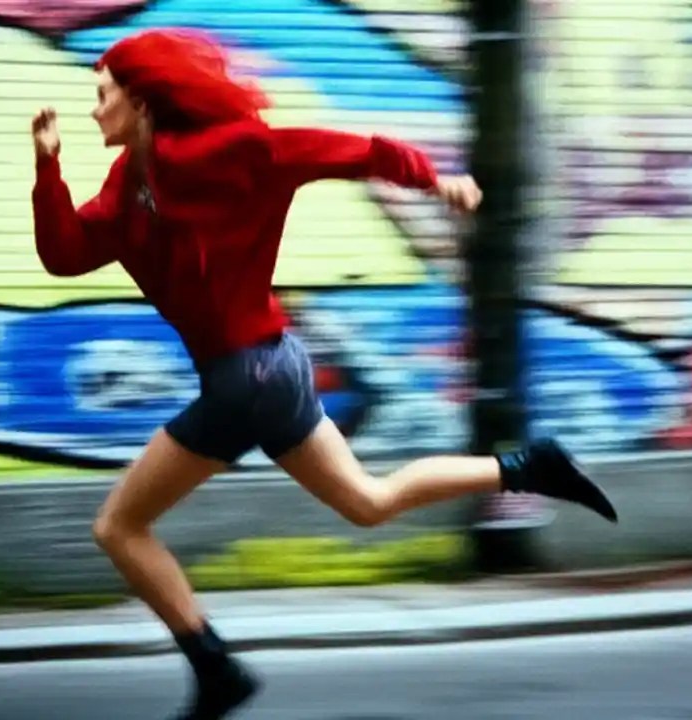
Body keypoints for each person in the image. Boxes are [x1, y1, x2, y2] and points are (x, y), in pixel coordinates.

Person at [31, 28, 618, 720]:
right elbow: (65, 256)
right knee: (366, 503)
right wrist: (48, 169)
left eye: (102, 96)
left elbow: (352, 151)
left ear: (143, 98)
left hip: (248, 376)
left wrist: (435, 180)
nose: (94, 111)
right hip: (270, 371)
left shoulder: (234, 151)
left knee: (119, 528)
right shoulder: (125, 192)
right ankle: (527, 465)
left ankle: (215, 670)